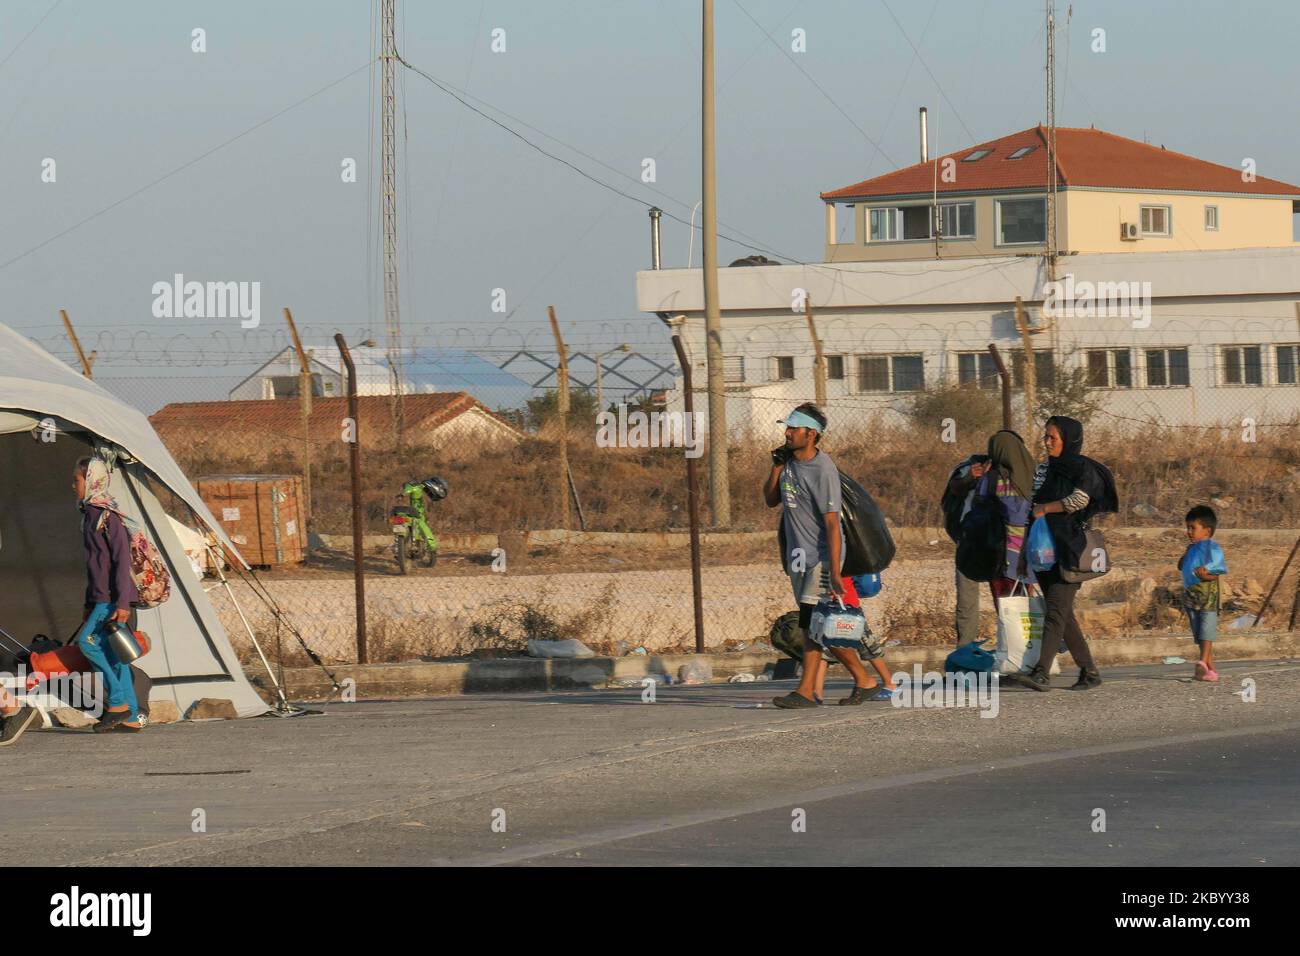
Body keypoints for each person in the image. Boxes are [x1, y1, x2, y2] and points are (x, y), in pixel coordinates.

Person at [763, 404, 885, 708]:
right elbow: (770, 499)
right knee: (814, 626)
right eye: (787, 428)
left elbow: (832, 523)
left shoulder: (823, 469)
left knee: (816, 625)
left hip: (820, 560)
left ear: (812, 434)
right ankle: (862, 681)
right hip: (798, 559)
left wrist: (834, 570)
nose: (787, 433)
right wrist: (776, 466)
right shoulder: (789, 463)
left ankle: (813, 689)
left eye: (794, 429)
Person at [1007, 416, 1117, 692]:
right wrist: (1022, 555)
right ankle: (1089, 671)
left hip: (1069, 547)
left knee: (1056, 612)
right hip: (1043, 550)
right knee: (1063, 614)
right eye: (1045, 437)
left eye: (1052, 437)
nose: (1047, 442)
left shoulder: (1082, 469)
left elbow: (1079, 500)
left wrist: (1047, 508)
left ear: (1069, 440)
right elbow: (1033, 506)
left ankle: (1041, 672)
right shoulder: (1044, 470)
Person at [74, 456, 144, 732]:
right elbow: (95, 567)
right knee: (115, 656)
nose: (74, 485)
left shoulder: (108, 516)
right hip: (100, 599)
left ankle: (117, 702)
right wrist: (88, 603)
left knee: (88, 643)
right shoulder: (89, 515)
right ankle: (132, 716)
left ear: (91, 480)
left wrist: (123, 603)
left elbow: (121, 563)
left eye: (77, 480)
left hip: (112, 601)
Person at [803, 574, 896, 705]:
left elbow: (842, 580)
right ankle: (817, 693)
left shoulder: (838, 559)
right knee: (822, 647)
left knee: (867, 646)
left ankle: (890, 684)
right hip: (826, 604)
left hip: (846, 607)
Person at [975, 430, 1037, 602]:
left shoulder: (993, 479)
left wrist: (981, 478)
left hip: (1002, 554)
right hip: (1028, 554)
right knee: (1026, 605)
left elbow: (978, 507)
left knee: (1006, 609)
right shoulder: (1036, 477)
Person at [943, 453, 990, 645]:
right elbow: (956, 487)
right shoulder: (968, 468)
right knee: (967, 600)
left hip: (1002, 539)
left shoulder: (1013, 470)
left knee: (1009, 597)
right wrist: (972, 477)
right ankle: (965, 652)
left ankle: (1016, 648)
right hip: (970, 539)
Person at [1179, 505, 1226, 682]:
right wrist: (1184, 557)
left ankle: (1202, 663)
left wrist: (1206, 575)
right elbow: (1181, 566)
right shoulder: (1191, 549)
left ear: (1207, 531)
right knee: (1199, 633)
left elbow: (1217, 572)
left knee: (1207, 631)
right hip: (1191, 598)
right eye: (1188, 527)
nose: (1189, 531)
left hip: (1208, 599)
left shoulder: (1212, 549)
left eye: (1193, 528)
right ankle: (1210, 668)